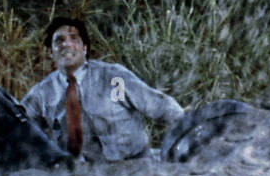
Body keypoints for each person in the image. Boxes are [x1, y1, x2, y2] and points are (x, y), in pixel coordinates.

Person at [22, 16, 184, 164]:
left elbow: (164, 108)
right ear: (50, 52)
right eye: (59, 41)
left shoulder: (114, 78)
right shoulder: (42, 94)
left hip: (133, 168)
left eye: (74, 39)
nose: (67, 44)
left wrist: (188, 143)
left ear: (84, 48)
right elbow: (21, 129)